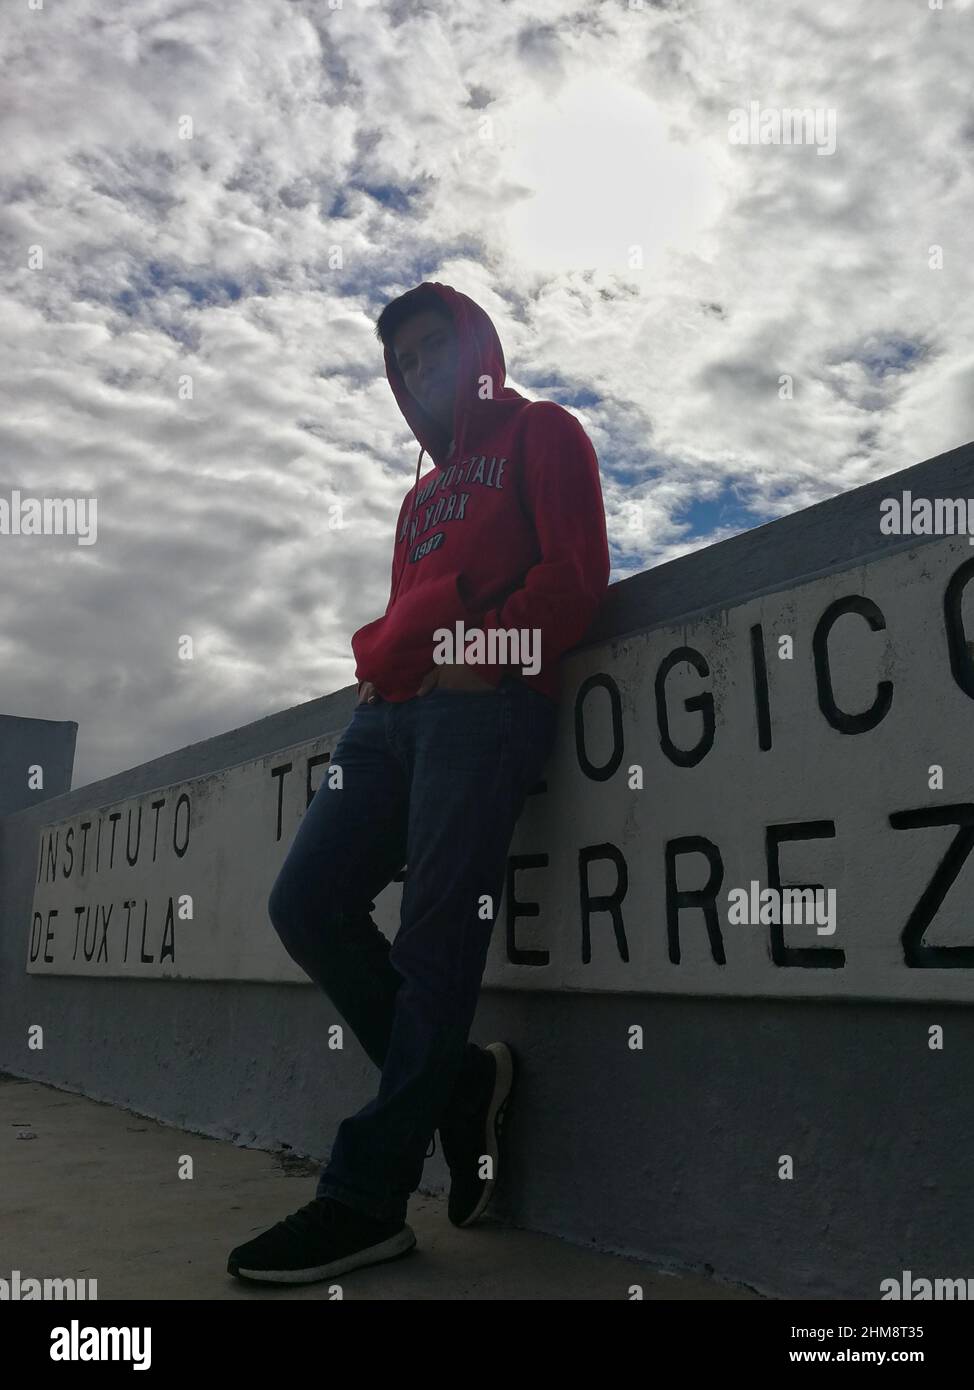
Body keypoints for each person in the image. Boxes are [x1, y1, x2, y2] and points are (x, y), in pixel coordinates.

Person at [228, 281, 610, 1284]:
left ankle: (366, 1198)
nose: (416, 372)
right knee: (305, 900)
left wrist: (485, 650)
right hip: (385, 716)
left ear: (477, 349)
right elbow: (409, 607)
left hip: (484, 710)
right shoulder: (416, 498)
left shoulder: (542, 432)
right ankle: (459, 1085)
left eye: (433, 350)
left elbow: (576, 572)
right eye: (400, 363)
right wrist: (385, 671)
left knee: (438, 934)